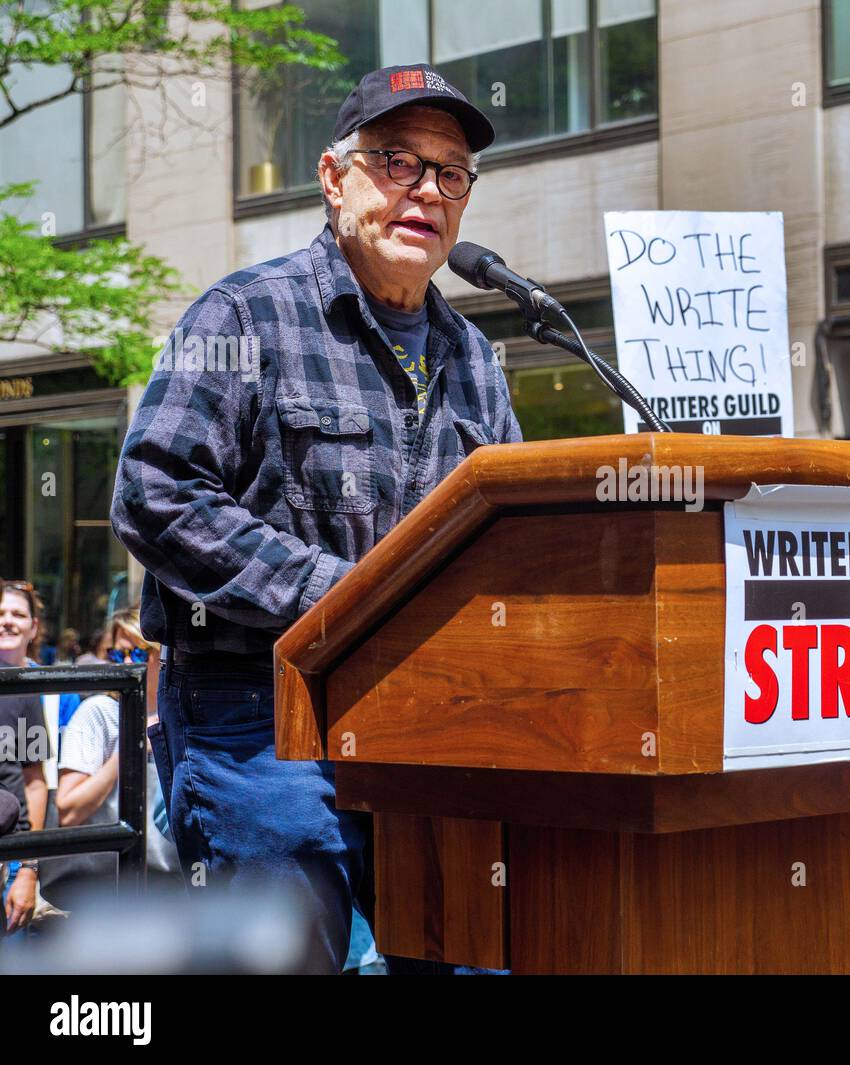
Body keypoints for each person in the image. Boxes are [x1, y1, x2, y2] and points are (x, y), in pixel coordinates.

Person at [110, 64, 518, 974]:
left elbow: (511, 547)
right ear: (335, 180)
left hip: (432, 727)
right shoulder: (240, 314)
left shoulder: (478, 360)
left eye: (450, 173)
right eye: (398, 162)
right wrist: (345, 599)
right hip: (260, 720)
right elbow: (154, 490)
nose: (427, 190)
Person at [43, 608, 181, 908]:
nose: (129, 663)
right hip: (109, 890)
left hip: (176, 889)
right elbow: (68, 810)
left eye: (139, 652)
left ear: (162, 653)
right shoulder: (99, 713)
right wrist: (127, 752)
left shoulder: (182, 713)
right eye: (119, 655)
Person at [0, 580, 50, 934]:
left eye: (17, 613)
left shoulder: (27, 688)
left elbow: (33, 781)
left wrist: (27, 870)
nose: (7, 621)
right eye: (0, 613)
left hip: (10, 858)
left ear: (33, 627)